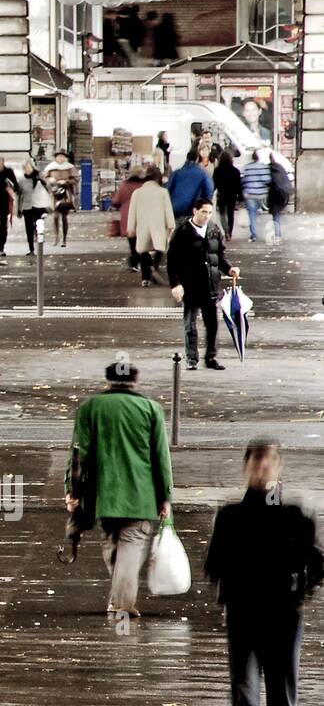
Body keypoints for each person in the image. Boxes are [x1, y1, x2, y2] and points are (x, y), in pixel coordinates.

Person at [204, 440, 324, 706]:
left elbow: (317, 563)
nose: (262, 472)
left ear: (277, 469)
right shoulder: (237, 516)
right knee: (247, 703)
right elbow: (215, 564)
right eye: (258, 465)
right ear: (247, 468)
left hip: (278, 617)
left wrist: (300, 591)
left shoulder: (293, 516)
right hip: (253, 616)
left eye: (268, 465)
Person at [65, 362, 174, 617]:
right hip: (141, 494)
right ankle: (122, 603)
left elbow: (79, 455)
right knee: (130, 547)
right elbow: (161, 457)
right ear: (135, 381)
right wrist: (165, 496)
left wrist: (73, 491)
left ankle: (118, 599)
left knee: (112, 544)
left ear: (108, 381)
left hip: (103, 495)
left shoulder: (90, 408)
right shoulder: (150, 409)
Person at [166, 199, 240, 371]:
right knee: (190, 324)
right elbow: (172, 261)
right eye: (203, 212)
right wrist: (175, 284)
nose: (207, 216)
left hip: (210, 285)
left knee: (212, 324)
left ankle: (211, 357)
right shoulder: (183, 231)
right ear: (195, 211)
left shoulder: (214, 230)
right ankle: (192, 358)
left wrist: (229, 269)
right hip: (190, 284)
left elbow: (219, 256)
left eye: (209, 212)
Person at [126, 164, 175, 286]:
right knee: (160, 248)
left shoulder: (137, 193)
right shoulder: (163, 192)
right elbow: (168, 210)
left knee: (144, 251)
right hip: (158, 225)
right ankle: (155, 267)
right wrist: (171, 224)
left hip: (143, 226)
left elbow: (132, 212)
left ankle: (145, 278)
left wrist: (131, 228)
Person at [111, 164, 146, 272]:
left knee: (132, 241)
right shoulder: (145, 186)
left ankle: (134, 262)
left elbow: (116, 201)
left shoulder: (124, 185)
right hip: (143, 215)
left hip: (128, 216)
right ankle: (140, 261)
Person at [16, 157, 54, 255]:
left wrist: (43, 183)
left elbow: (48, 188)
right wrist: (18, 209)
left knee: (38, 225)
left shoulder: (38, 177)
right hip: (26, 206)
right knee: (29, 227)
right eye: (25, 168)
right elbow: (19, 195)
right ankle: (31, 249)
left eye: (29, 168)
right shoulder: (21, 180)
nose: (27, 170)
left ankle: (39, 243)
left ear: (32, 168)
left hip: (38, 205)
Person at [167, 148, 214, 225]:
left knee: (178, 231)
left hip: (175, 208)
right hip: (193, 209)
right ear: (197, 159)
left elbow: (168, 189)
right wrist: (206, 206)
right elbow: (209, 189)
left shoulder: (177, 172)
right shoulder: (203, 173)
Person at [43, 149, 78, 246]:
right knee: (55, 216)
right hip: (54, 194)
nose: (60, 158)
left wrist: (66, 181)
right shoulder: (51, 167)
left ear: (65, 158)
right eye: (59, 156)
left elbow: (76, 179)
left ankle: (64, 239)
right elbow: (44, 179)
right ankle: (56, 237)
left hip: (65, 194)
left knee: (64, 217)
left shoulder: (70, 168)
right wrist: (51, 180)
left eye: (62, 156)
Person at [239, 145, 272, 242]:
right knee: (258, 212)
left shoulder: (247, 167)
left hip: (249, 194)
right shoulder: (263, 167)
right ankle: (260, 225)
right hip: (261, 194)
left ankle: (254, 234)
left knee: (251, 214)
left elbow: (244, 180)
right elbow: (267, 180)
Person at [212, 144, 242, 239]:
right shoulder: (235, 171)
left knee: (222, 213)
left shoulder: (217, 170)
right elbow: (239, 185)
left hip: (221, 195)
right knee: (231, 214)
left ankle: (226, 230)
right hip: (232, 195)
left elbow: (214, 184)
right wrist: (240, 196)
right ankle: (230, 232)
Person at [267, 153, 292, 243]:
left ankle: (278, 234)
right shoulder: (280, 168)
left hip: (275, 196)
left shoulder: (271, 170)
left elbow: (270, 183)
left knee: (276, 216)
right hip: (282, 195)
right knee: (277, 216)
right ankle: (278, 234)